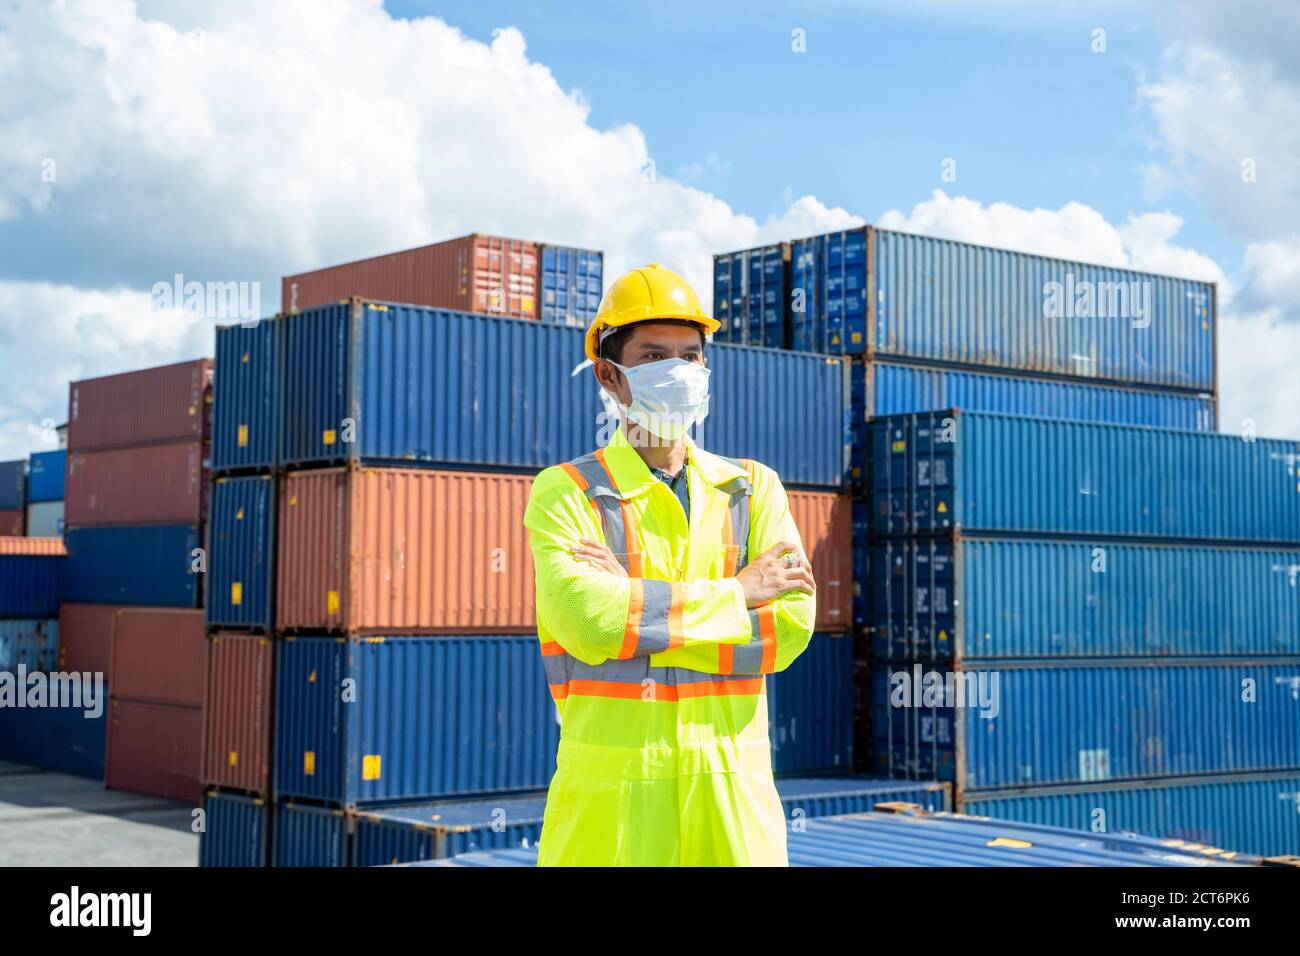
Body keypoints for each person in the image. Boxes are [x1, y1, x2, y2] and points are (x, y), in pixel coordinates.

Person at [523, 262, 817, 866]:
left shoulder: (752, 488)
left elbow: (788, 631)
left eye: (691, 355)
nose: (678, 371)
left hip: (733, 805)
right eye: (655, 356)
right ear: (611, 375)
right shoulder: (567, 492)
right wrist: (739, 593)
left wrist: (635, 603)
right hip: (615, 817)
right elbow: (590, 625)